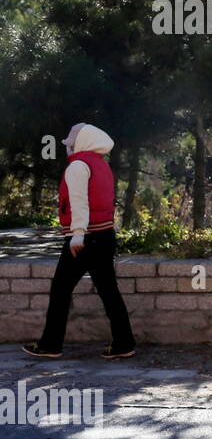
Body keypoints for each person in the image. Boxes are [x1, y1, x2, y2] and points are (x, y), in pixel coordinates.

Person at [22, 123, 136, 360]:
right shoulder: (102, 165)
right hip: (104, 235)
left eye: (72, 143)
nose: (69, 147)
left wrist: (77, 234)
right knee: (109, 291)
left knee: (61, 290)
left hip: (84, 238)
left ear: (82, 143)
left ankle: (50, 345)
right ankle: (124, 343)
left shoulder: (78, 166)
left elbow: (79, 203)